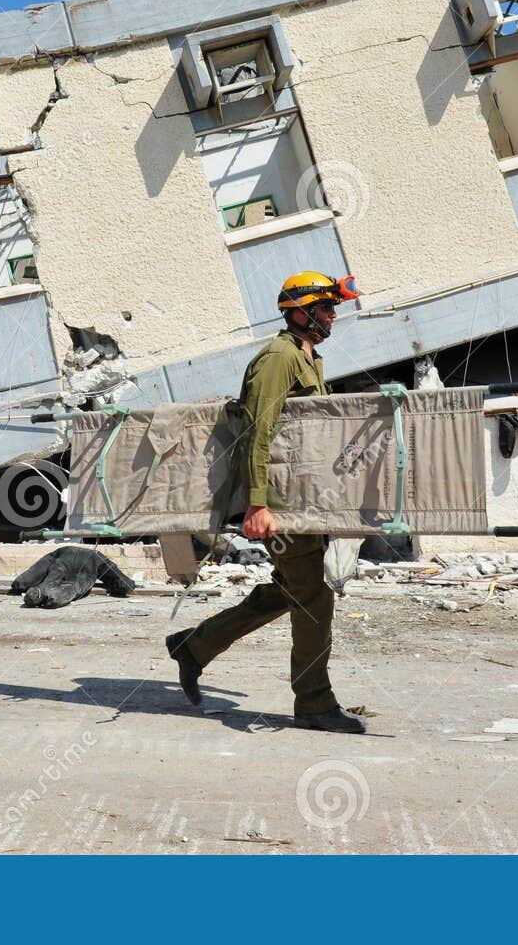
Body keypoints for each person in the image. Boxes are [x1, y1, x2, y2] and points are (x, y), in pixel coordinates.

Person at [165, 271, 367, 734]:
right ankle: (314, 703)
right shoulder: (277, 359)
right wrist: (257, 504)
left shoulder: (307, 358)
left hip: (303, 503)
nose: (333, 315)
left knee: (293, 589)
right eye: (326, 307)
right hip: (277, 502)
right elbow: (258, 434)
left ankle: (194, 647)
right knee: (312, 595)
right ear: (300, 312)